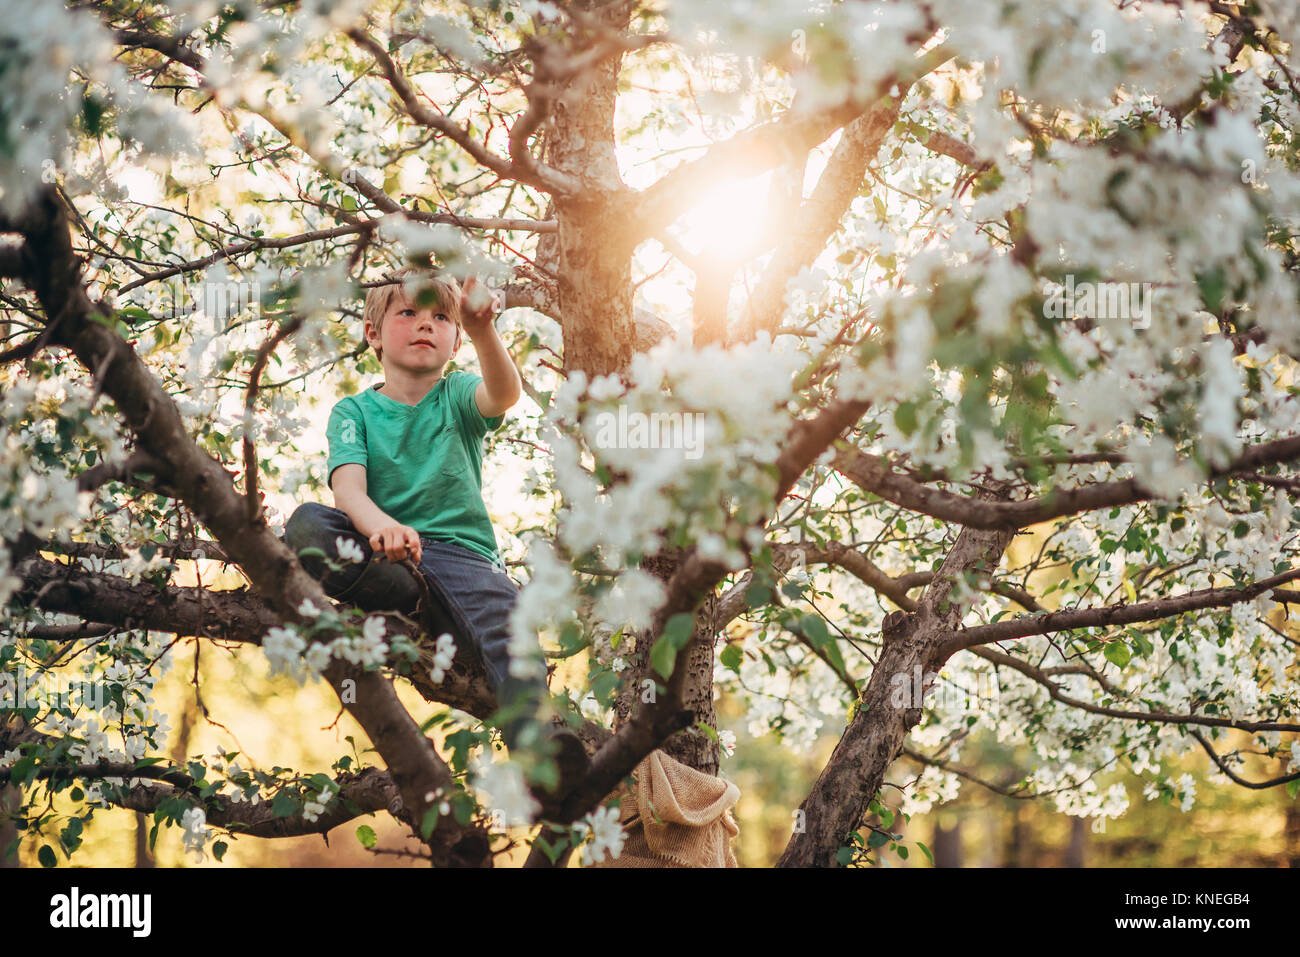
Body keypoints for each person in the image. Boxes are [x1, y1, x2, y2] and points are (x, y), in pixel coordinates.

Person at [284, 268, 585, 798]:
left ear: (455, 338)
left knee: (508, 632)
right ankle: (407, 602)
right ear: (373, 333)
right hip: (383, 554)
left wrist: (484, 327)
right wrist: (384, 529)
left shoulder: (458, 395)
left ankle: (539, 755)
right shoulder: (353, 411)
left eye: (441, 318)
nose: (426, 325)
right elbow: (349, 492)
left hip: (463, 560)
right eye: (409, 314)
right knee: (307, 525)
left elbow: (504, 394)